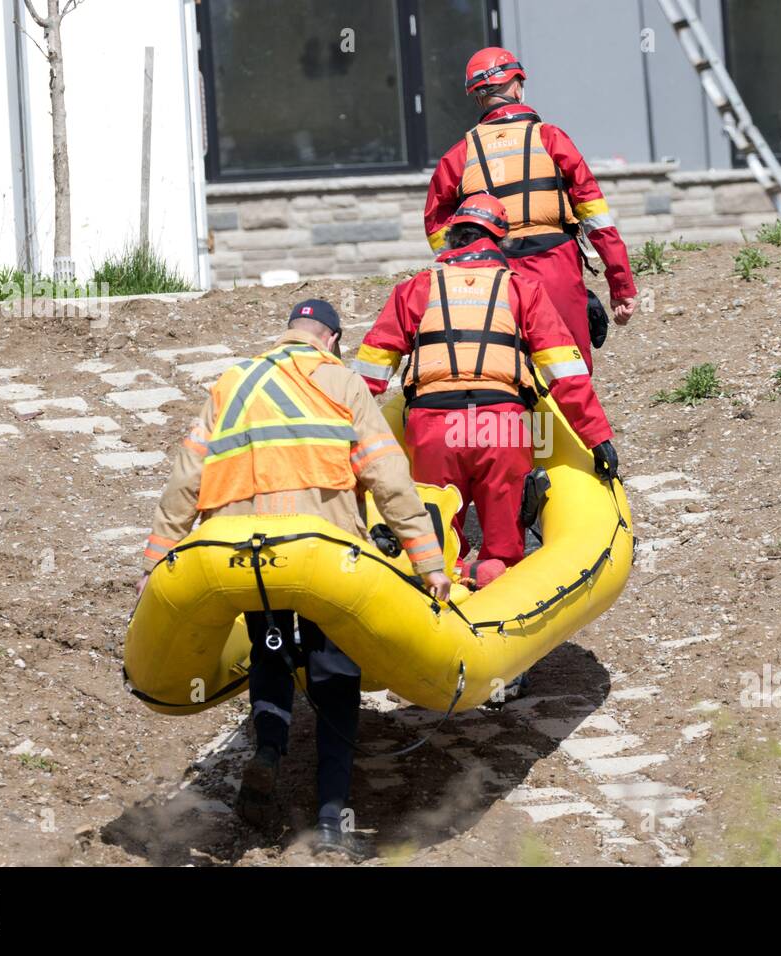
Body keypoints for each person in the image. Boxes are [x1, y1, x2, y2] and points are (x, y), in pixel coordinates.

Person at [137, 299, 452, 861]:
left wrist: (156, 562)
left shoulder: (231, 382)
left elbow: (186, 477)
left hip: (243, 556)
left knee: (271, 650)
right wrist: (427, 560)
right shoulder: (341, 380)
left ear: (288, 333)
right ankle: (332, 820)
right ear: (331, 339)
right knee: (334, 673)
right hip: (322, 552)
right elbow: (386, 473)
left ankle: (271, 751)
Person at [351, 193, 618, 586]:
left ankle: (438, 628)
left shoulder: (416, 289)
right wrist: (597, 440)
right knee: (504, 554)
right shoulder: (522, 289)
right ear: (500, 241)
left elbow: (367, 379)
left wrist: (333, 436)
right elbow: (567, 377)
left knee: (434, 547)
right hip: (501, 427)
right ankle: (499, 626)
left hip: (433, 427)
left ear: (452, 237)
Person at [423, 46, 638, 373]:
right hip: (557, 267)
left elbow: (436, 222)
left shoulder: (458, 155)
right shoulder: (551, 139)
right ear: (517, 85)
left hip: (495, 276)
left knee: (507, 371)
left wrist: (466, 269)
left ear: (477, 97)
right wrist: (620, 285)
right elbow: (596, 218)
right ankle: (567, 425)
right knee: (569, 373)